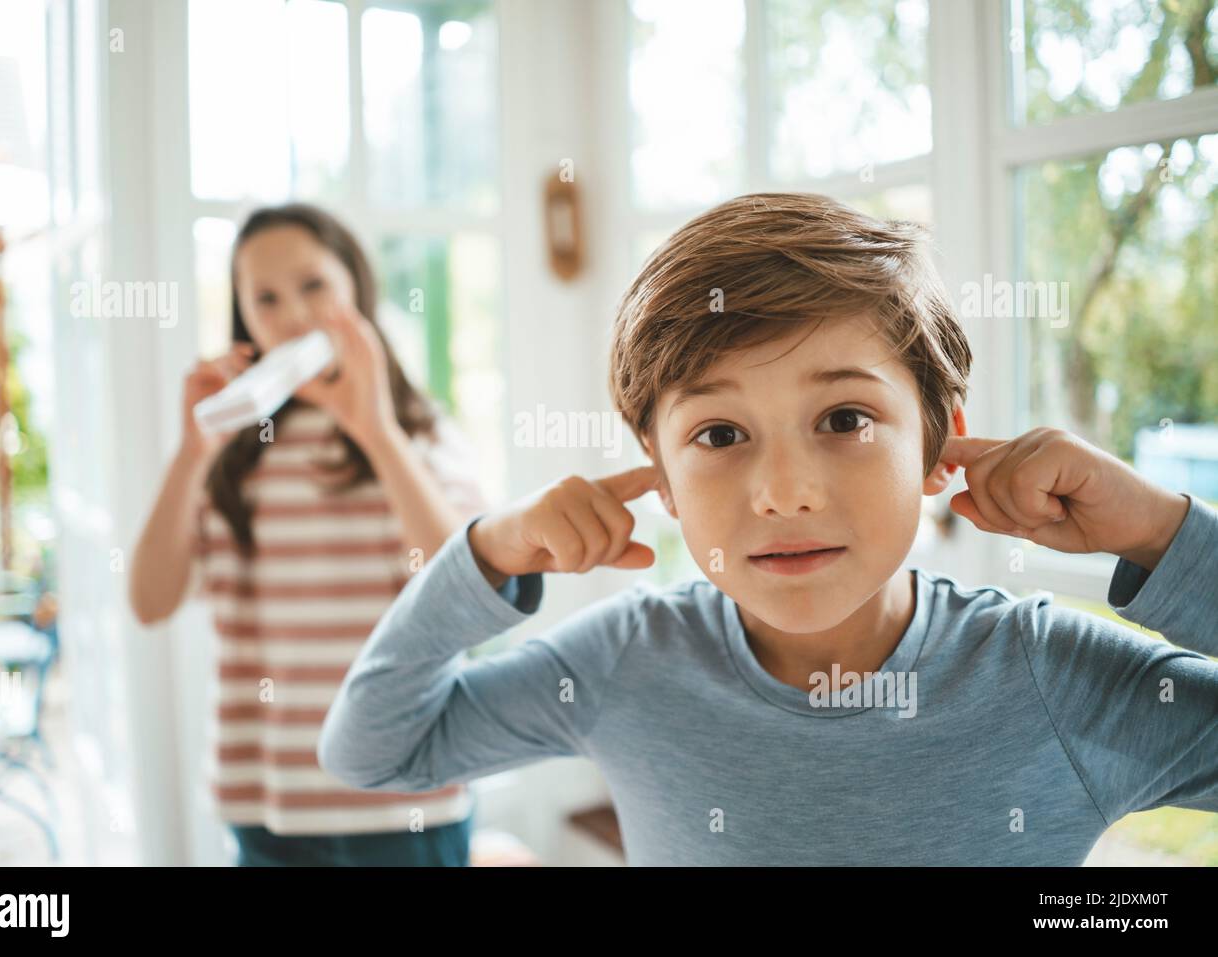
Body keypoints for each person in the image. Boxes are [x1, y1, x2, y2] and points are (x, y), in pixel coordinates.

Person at [316, 192, 1218, 865]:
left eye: (844, 419)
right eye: (720, 435)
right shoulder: (626, 660)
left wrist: (1160, 532)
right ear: (662, 474)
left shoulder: (1049, 678)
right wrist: (486, 552)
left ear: (937, 439)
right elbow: (374, 748)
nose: (784, 494)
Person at [129, 203, 485, 866]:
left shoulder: (421, 436)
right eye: (266, 298)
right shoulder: (232, 458)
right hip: (269, 807)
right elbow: (149, 602)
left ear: (356, 288)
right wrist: (191, 453)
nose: (292, 315)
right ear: (244, 316)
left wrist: (376, 432)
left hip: (408, 794)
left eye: (314, 285)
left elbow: (467, 593)